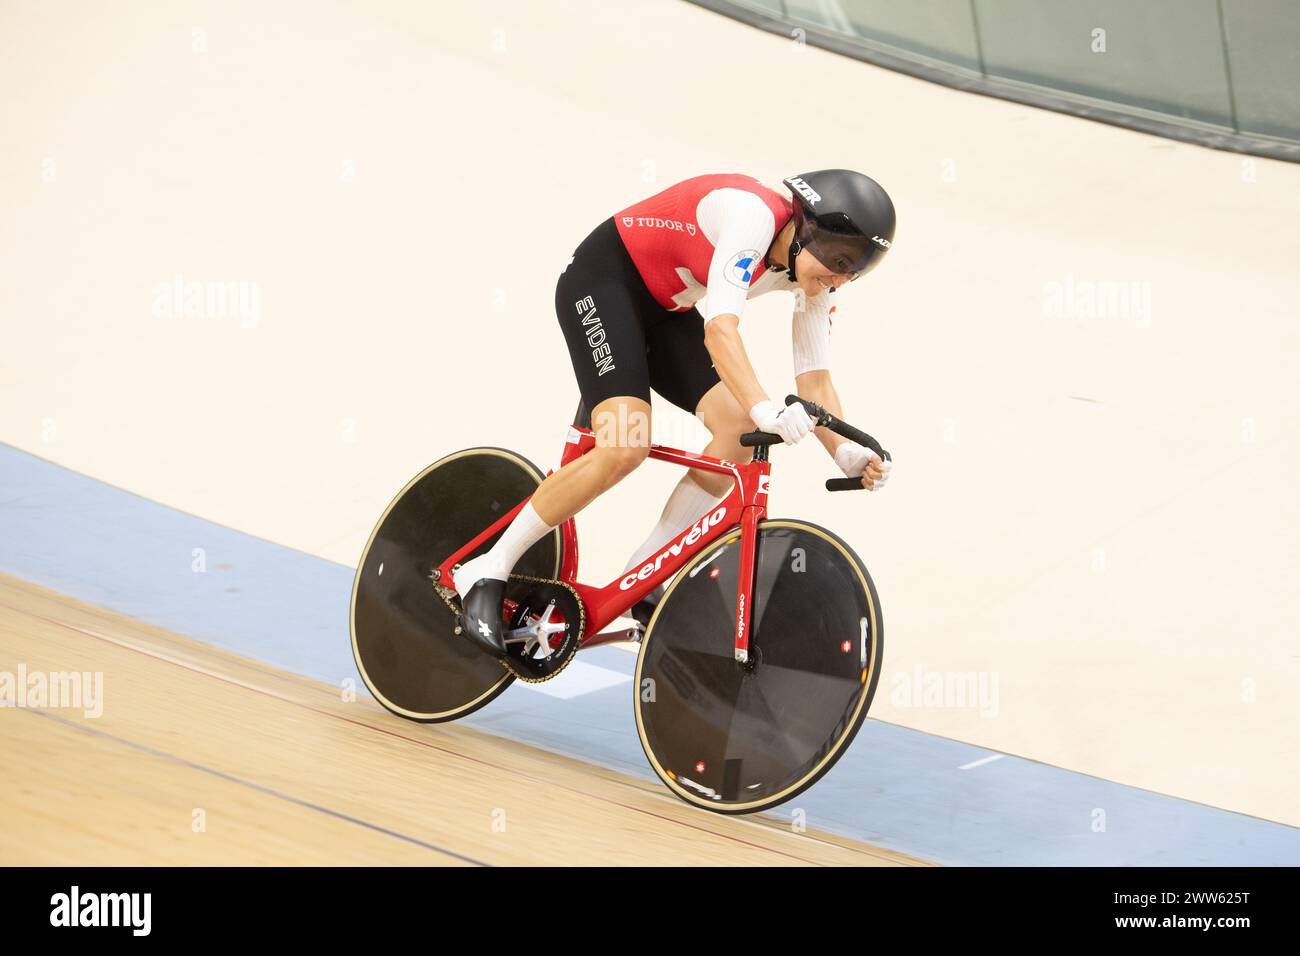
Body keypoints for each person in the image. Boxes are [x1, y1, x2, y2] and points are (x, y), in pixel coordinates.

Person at [455, 169, 894, 657]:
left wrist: (845, 452)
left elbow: (814, 378)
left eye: (855, 270)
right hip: (603, 282)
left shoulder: (815, 279)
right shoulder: (752, 217)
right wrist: (767, 408)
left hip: (667, 308)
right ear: (806, 226)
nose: (840, 278)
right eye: (838, 260)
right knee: (626, 442)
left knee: (742, 431)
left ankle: (641, 573)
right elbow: (720, 330)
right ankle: (486, 570)